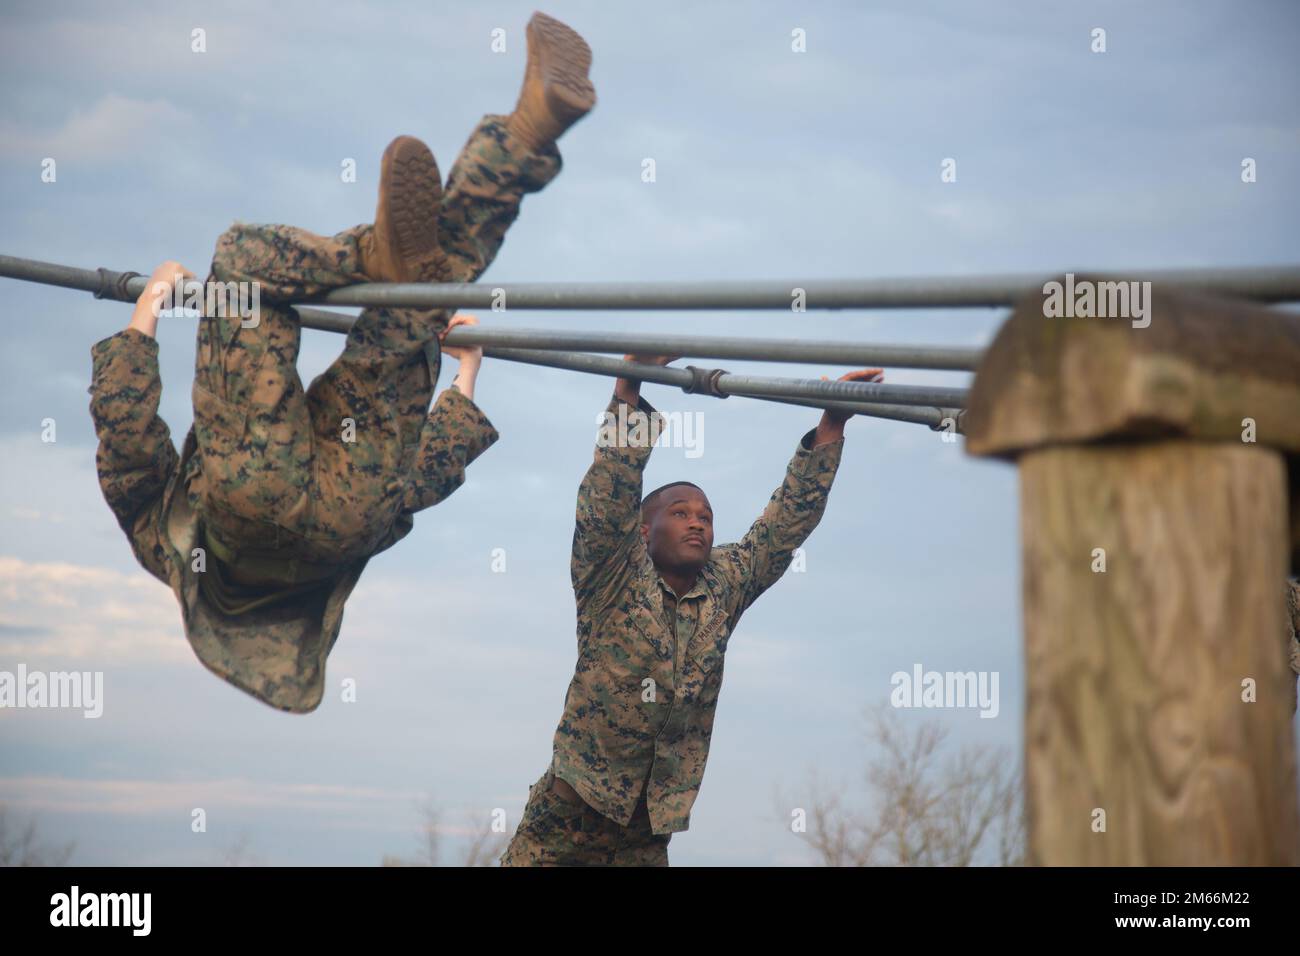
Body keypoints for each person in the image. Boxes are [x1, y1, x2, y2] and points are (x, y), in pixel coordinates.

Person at [87, 11, 596, 713]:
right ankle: (369, 253)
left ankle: (527, 134)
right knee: (242, 268)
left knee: (424, 291)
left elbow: (419, 481)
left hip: (346, 520)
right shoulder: (165, 554)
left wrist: (465, 374)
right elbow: (126, 445)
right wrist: (146, 312)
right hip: (249, 493)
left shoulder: (333, 571)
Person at [500, 353, 884, 865]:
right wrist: (629, 384)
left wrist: (830, 425)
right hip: (571, 816)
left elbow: (782, 527)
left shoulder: (724, 585)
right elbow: (607, 495)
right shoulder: (611, 575)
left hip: (645, 829)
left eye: (705, 515)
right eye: (679, 514)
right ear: (644, 530)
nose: (697, 523)